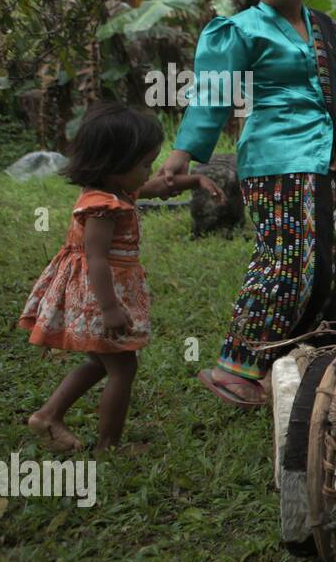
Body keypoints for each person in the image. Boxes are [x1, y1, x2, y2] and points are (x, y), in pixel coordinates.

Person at [154, 0, 336, 408]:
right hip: (275, 158)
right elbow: (213, 91)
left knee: (328, 263)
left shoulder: (330, 31)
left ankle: (318, 360)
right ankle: (237, 363)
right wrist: (184, 151)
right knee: (284, 258)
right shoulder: (240, 29)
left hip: (325, 157)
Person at [19, 104, 224, 451]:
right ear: (114, 165)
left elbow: (158, 188)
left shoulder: (117, 191)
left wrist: (195, 180)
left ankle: (48, 415)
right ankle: (107, 445)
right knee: (122, 367)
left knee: (100, 361)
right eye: (144, 164)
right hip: (99, 295)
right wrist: (110, 309)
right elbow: (95, 260)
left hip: (101, 293)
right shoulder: (102, 206)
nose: (149, 172)